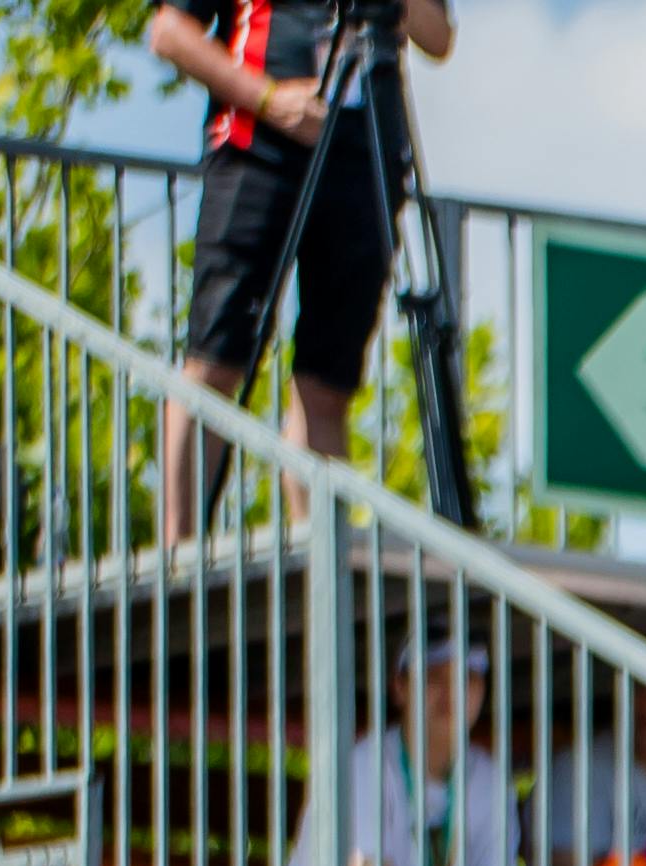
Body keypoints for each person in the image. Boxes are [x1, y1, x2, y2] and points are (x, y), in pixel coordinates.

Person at [143, 0, 453, 536]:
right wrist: (266, 98)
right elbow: (169, 31)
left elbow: (437, 36)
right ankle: (179, 559)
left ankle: (322, 554)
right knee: (215, 359)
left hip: (363, 154)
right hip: (255, 146)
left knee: (327, 381)